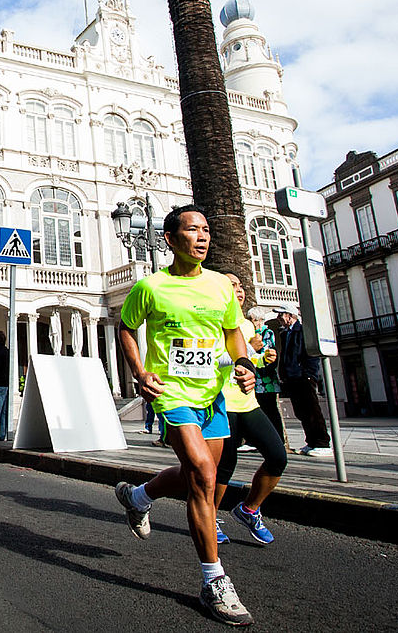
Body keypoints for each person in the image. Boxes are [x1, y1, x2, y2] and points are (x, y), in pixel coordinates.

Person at [112, 206, 257, 626]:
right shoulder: (151, 287)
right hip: (171, 393)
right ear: (171, 239)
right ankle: (215, 581)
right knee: (203, 474)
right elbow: (126, 326)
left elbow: (232, 332)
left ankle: (137, 496)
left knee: (201, 476)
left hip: (212, 394)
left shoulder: (220, 286)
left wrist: (243, 363)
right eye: (193, 230)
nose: (203, 236)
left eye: (207, 230)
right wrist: (140, 372)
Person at [213, 273, 288, 547]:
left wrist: (260, 357)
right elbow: (210, 360)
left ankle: (249, 509)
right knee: (225, 466)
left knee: (277, 456)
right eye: (232, 286)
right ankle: (209, 519)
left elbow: (246, 360)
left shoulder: (245, 325)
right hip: (222, 403)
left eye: (240, 286)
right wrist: (244, 355)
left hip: (248, 403)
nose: (239, 290)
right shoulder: (213, 323)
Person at [275, 305, 332, 457]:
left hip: (303, 377)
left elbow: (310, 354)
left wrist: (308, 375)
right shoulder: (286, 333)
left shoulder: (302, 331)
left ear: (290, 315)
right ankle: (311, 441)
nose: (279, 318)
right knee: (302, 412)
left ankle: (322, 442)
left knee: (312, 410)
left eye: (281, 314)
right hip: (292, 377)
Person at [247, 307, 288, 452]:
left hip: (266, 380)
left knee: (270, 410)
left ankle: (278, 440)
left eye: (254, 320)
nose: (253, 323)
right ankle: (255, 441)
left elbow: (267, 354)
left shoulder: (267, 333)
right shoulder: (252, 334)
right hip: (256, 380)